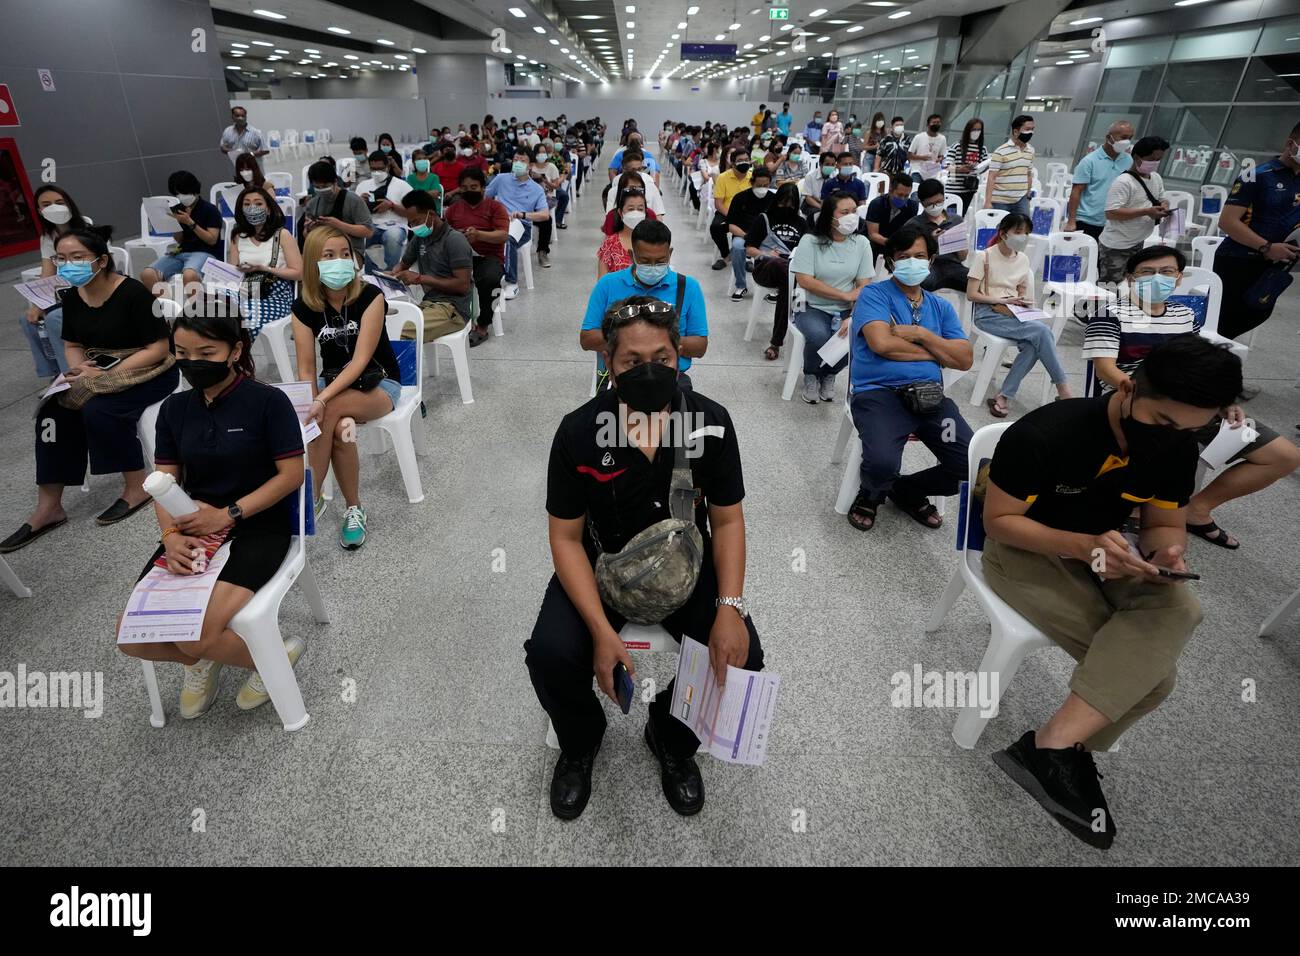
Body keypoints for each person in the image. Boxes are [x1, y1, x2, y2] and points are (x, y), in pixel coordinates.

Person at [981, 334, 1243, 850]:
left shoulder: (1176, 447)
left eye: (1193, 428)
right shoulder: (1047, 434)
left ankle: (1052, 745)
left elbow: (1164, 523)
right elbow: (999, 523)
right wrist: (1081, 546)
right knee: (1152, 682)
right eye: (1165, 422)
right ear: (1128, 387)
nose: (1173, 437)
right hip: (1025, 552)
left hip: (1106, 554)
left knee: (1181, 605)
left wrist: (1166, 553)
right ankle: (1059, 748)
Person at [527, 296, 762, 820]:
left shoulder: (711, 424)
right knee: (551, 654)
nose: (649, 371)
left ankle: (671, 737)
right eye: (633, 361)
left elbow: (727, 520)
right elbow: (565, 540)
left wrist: (729, 605)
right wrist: (602, 633)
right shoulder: (579, 432)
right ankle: (582, 738)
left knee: (743, 656)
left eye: (663, 357)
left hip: (684, 567)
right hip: (603, 565)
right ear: (608, 364)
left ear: (680, 356)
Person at [114, 305, 306, 718]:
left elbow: (291, 476)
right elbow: (163, 484)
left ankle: (269, 658)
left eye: (205, 353)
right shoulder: (174, 410)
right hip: (192, 527)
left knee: (196, 634)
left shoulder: (268, 403)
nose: (193, 364)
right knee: (131, 638)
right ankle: (206, 659)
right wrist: (172, 537)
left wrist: (229, 514)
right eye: (182, 354)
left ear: (235, 351)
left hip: (257, 526)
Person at [1083, 245, 1300, 549]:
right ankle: (1137, 510)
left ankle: (1195, 510)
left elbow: (1198, 366)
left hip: (1195, 406)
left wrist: (1222, 401)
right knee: (1163, 443)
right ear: (1131, 279)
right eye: (1147, 272)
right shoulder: (1110, 313)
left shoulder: (1185, 316)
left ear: (1179, 277)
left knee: (1283, 456)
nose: (1157, 278)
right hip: (1139, 404)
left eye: (1167, 272)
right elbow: (1106, 370)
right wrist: (1145, 395)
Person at [1, 229, 180, 552]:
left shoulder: (133, 293)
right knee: (53, 410)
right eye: (62, 258)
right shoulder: (71, 296)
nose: (68, 265)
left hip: (149, 369)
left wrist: (102, 374)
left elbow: (158, 348)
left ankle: (136, 484)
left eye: (77, 257)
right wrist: (81, 368)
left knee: (99, 408)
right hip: (98, 367)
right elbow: (72, 344)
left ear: (101, 260)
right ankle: (49, 505)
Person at [844, 226, 974, 532]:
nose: (912, 262)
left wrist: (920, 334)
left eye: (919, 256)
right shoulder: (874, 295)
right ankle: (872, 494)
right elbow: (882, 345)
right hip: (879, 394)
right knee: (883, 461)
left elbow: (965, 359)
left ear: (930, 261)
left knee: (971, 463)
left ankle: (907, 489)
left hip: (930, 399)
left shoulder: (940, 306)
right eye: (904, 257)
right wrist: (938, 353)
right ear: (891, 261)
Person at [291, 227, 403, 551]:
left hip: (380, 382)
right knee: (339, 429)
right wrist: (312, 401)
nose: (339, 261)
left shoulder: (371, 296)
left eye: (344, 254)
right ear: (313, 262)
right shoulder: (303, 308)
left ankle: (310, 499)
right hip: (332, 383)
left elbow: (360, 359)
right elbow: (307, 367)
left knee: (333, 410)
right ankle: (354, 508)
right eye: (328, 256)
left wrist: (322, 400)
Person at [967, 213, 1072, 417]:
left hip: (1014, 313)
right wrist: (1001, 300)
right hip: (988, 313)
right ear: (1003, 233)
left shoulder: (1023, 259)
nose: (1023, 237)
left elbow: (1022, 290)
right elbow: (972, 295)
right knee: (1042, 333)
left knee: (1035, 343)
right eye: (1018, 232)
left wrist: (1023, 301)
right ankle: (1063, 387)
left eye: (1026, 233)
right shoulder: (985, 256)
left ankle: (1004, 396)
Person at [580, 221, 708, 386]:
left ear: (670, 253)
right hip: (622, 375)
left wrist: (651, 341)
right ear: (631, 254)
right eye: (645, 261)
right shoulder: (608, 284)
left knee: (700, 410)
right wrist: (645, 343)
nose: (653, 267)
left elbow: (699, 346)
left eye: (660, 261)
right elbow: (587, 339)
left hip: (670, 377)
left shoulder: (688, 287)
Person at [1213, 121, 1300, 340]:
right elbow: (1227, 221)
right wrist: (1267, 246)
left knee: (1256, 313)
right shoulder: (1257, 175)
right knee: (1222, 322)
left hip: (1277, 265)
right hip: (1239, 261)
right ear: (1291, 144)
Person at [788, 193, 875, 405]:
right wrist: (844, 295)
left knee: (857, 335)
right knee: (819, 335)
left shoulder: (861, 243)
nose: (851, 217)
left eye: (854, 211)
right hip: (810, 304)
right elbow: (805, 280)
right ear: (830, 216)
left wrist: (853, 315)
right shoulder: (810, 241)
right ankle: (811, 374)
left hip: (846, 309)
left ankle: (829, 373)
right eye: (844, 212)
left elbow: (864, 285)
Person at [19, 184, 91, 379]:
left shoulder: (86, 228)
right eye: (47, 204)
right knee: (29, 321)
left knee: (54, 318)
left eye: (59, 202)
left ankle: (70, 376)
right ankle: (53, 374)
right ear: (40, 211)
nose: (54, 207)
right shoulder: (48, 237)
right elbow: (47, 274)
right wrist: (37, 305)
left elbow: (95, 271)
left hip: (88, 290)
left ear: (69, 204)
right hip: (64, 292)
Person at [394, 191, 474, 349]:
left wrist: (420, 278)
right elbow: (401, 266)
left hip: (453, 308)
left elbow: (463, 286)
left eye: (415, 221)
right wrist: (388, 276)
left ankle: (401, 374)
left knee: (398, 330)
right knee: (382, 322)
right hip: (429, 303)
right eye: (410, 223)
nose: (413, 227)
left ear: (431, 214)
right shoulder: (420, 238)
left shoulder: (454, 240)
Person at [443, 166, 510, 348]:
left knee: (490, 280)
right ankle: (450, 317)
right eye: (464, 188)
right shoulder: (453, 210)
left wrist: (479, 235)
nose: (469, 191)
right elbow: (444, 233)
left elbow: (503, 235)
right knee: (436, 275)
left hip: (488, 256)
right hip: (459, 257)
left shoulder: (496, 208)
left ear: (483, 188)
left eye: (474, 187)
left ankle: (483, 324)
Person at [227, 187, 301, 341]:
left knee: (244, 313)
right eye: (246, 204)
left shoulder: (282, 235)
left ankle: (238, 358)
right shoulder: (237, 237)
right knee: (214, 308)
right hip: (246, 289)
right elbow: (233, 274)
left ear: (268, 209)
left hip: (276, 293)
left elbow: (298, 273)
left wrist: (264, 268)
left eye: (258, 203)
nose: (252, 208)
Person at [747, 183, 809, 362]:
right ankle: (801, 305)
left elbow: (807, 250)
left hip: (790, 271)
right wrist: (765, 254)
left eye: (791, 204)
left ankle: (775, 342)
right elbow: (749, 249)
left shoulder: (801, 223)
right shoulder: (764, 218)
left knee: (787, 289)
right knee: (782, 267)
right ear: (777, 201)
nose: (786, 207)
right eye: (783, 202)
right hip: (766, 267)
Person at [1098, 136, 1170, 284]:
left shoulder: (1156, 178)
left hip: (1137, 241)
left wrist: (1164, 206)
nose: (1155, 163)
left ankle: (1119, 307)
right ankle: (1095, 307)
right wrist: (1146, 211)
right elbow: (1111, 213)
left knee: (1129, 287)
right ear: (1137, 157)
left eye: (1159, 159)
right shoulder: (1124, 182)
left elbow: (1162, 198)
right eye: (1151, 159)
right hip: (1116, 245)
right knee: (1110, 287)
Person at [139, 171, 223, 295]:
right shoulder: (177, 210)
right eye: (177, 193)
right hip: (182, 252)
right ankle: (166, 307)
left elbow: (212, 240)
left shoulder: (209, 209)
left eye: (184, 192)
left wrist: (190, 222)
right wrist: (171, 224)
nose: (181, 196)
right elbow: (179, 239)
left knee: (189, 275)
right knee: (147, 274)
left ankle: (197, 310)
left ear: (194, 190)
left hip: (206, 252)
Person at [486, 145, 551, 290]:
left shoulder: (536, 189)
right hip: (498, 221)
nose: (517, 163)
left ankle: (512, 282)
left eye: (522, 161)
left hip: (521, 225)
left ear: (531, 165)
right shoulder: (501, 179)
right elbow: (485, 196)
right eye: (516, 160)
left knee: (507, 238)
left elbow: (545, 215)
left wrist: (522, 214)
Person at [1066, 120, 1135, 241]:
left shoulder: (1129, 160)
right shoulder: (1089, 161)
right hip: (1087, 220)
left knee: (1104, 259)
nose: (1127, 141)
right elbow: (1076, 192)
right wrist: (1071, 221)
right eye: (1123, 137)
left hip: (1113, 223)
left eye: (1130, 137)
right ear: (1109, 137)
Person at [723, 166, 776, 301]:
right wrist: (746, 236)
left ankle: (771, 286)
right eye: (759, 185)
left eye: (766, 185)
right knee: (737, 247)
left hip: (767, 238)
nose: (762, 188)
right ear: (752, 182)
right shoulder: (740, 198)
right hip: (743, 235)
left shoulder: (773, 199)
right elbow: (731, 225)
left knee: (777, 251)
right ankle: (741, 285)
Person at [354, 150, 412, 272]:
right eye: (373, 169)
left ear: (388, 166)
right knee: (367, 235)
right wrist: (361, 204)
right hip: (370, 224)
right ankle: (370, 275)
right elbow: (353, 216)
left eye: (380, 169)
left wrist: (391, 206)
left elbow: (412, 213)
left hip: (395, 225)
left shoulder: (402, 186)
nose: (377, 172)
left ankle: (390, 273)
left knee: (392, 236)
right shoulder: (362, 186)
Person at [301, 160, 373, 258]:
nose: (321, 190)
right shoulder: (313, 204)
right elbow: (307, 236)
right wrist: (309, 229)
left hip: (350, 251)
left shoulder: (353, 200)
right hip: (321, 249)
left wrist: (338, 225)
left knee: (333, 265)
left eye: (325, 186)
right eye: (317, 187)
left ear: (335, 182)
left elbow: (368, 231)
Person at [909, 178, 968, 293]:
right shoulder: (914, 224)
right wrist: (931, 241)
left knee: (976, 281)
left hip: (953, 265)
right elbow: (911, 256)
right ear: (922, 203)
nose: (935, 206)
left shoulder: (956, 220)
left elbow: (963, 257)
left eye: (939, 202)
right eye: (930, 204)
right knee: (922, 282)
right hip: (929, 266)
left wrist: (955, 242)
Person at [708, 148, 753, 271]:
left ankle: (747, 257)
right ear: (732, 163)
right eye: (740, 160)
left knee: (751, 227)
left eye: (746, 160)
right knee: (716, 227)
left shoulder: (753, 178)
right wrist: (733, 217)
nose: (744, 162)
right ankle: (726, 256)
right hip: (726, 212)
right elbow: (718, 204)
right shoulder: (723, 177)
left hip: (747, 214)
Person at [985, 115, 1037, 215]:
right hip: (1000, 201)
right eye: (1027, 129)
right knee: (1000, 229)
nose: (1031, 132)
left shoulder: (1031, 150)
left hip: (1021, 200)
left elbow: (1029, 174)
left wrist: (1028, 194)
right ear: (1016, 131)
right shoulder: (1000, 151)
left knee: (1023, 228)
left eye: (1032, 129)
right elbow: (992, 177)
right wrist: (988, 201)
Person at [865, 174, 919, 260]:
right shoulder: (876, 204)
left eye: (906, 196)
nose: (903, 199)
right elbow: (873, 234)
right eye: (900, 195)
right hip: (875, 244)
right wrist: (892, 244)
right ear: (890, 191)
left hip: (897, 247)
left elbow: (909, 232)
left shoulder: (912, 207)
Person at [597, 188, 648, 278]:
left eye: (640, 209)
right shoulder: (609, 244)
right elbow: (601, 281)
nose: (636, 213)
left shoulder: (653, 241)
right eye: (631, 209)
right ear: (620, 213)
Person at [945, 118, 988, 215]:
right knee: (949, 217)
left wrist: (978, 168)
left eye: (979, 130)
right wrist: (960, 169)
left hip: (969, 188)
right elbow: (947, 166)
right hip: (953, 188)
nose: (976, 132)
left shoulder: (982, 149)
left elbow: (985, 165)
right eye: (973, 129)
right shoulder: (957, 146)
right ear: (968, 130)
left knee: (960, 216)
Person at [532, 143, 569, 233]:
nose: (542, 155)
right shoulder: (531, 167)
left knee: (543, 208)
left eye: (544, 152)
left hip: (548, 196)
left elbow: (556, 186)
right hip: (532, 196)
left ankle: (549, 229)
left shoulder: (551, 167)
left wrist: (545, 181)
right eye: (539, 153)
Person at [909, 114, 947, 182]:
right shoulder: (919, 137)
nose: (936, 124)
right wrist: (922, 157)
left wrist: (939, 159)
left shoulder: (942, 139)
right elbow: (909, 155)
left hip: (933, 171)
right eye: (934, 122)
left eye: (938, 122)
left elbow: (942, 155)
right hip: (918, 169)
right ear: (928, 124)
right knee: (916, 188)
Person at [799, 152, 833, 226]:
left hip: (827, 204)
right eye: (827, 164)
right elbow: (808, 198)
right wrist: (821, 208)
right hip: (811, 204)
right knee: (818, 214)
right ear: (820, 164)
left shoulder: (834, 177)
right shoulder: (810, 176)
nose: (830, 167)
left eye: (832, 165)